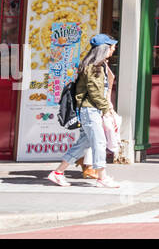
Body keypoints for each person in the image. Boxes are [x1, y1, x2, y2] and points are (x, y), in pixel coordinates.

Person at [48, 34, 120, 188]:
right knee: (99, 142)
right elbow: (94, 92)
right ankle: (102, 177)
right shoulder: (93, 67)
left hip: (92, 110)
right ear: (104, 48)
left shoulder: (97, 65)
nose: (113, 49)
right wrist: (106, 109)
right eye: (112, 47)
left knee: (83, 143)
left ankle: (58, 173)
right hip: (90, 110)